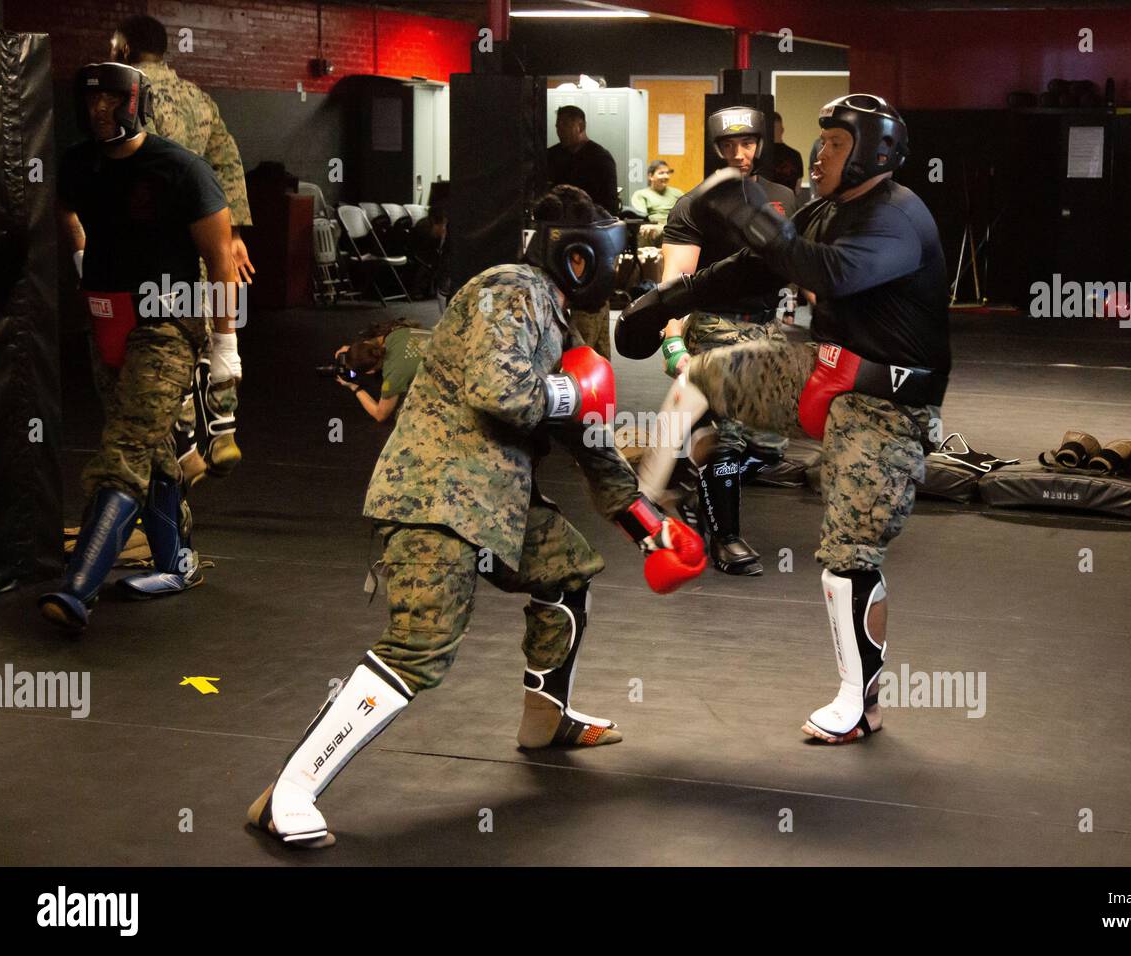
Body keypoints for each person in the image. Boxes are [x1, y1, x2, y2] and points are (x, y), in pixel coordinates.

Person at [247, 186, 706, 848]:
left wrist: (648, 526)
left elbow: (589, 436)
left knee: (566, 572)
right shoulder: (509, 289)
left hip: (498, 502)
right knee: (419, 647)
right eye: (613, 258)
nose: (620, 273)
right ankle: (287, 792)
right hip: (435, 498)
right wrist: (574, 389)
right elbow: (503, 392)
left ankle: (545, 721)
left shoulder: (560, 319)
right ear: (580, 258)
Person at [617, 94, 951, 744]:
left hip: (886, 405)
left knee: (846, 557)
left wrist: (746, 213)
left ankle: (861, 704)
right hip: (825, 371)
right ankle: (645, 511)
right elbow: (757, 263)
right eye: (820, 140)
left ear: (874, 154)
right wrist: (664, 302)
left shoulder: (899, 219)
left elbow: (825, 270)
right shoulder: (827, 208)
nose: (819, 153)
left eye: (835, 143)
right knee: (701, 374)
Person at [39, 62, 240, 629]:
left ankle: (78, 589)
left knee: (124, 448)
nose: (99, 111)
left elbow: (222, 261)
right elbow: (66, 207)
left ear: (135, 102)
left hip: (167, 321)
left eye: (110, 101)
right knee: (150, 446)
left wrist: (226, 345)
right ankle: (178, 561)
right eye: (91, 102)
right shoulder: (80, 164)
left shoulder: (180, 169)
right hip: (106, 316)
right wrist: (82, 257)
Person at [111, 14, 253, 485]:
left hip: (153, 251)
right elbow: (226, 164)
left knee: (161, 349)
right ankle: (225, 427)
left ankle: (186, 447)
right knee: (212, 336)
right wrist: (232, 236)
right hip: (204, 245)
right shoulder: (200, 100)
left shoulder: (125, 98)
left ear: (125, 48)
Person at [657, 106, 797, 577]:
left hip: (767, 328)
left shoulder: (782, 198)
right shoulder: (695, 203)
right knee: (728, 439)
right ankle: (727, 538)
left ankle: (697, 489)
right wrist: (674, 344)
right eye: (728, 146)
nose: (740, 153)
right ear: (715, 149)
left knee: (771, 447)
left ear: (761, 144)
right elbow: (673, 284)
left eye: (748, 143)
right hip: (715, 327)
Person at [547, 105, 620, 359]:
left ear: (579, 125)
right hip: (557, 238)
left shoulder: (600, 158)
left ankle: (589, 361)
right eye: (557, 126)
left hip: (591, 239)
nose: (558, 131)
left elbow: (609, 205)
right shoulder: (552, 157)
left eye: (563, 125)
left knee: (590, 304)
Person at [334, 320, 427, 422]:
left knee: (403, 415)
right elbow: (371, 344)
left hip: (445, 371)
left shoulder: (393, 376)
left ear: (370, 372)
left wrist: (354, 387)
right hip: (441, 343)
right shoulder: (394, 333)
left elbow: (380, 415)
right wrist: (354, 350)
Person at [631, 160, 683, 248]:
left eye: (667, 173)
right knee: (645, 230)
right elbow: (641, 219)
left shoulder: (677, 194)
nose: (666, 176)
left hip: (673, 228)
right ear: (651, 176)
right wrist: (654, 226)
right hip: (652, 227)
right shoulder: (641, 194)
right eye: (661, 173)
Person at [762, 111, 804, 194]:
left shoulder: (761, 155)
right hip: (787, 202)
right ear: (782, 130)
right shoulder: (795, 155)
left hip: (766, 202)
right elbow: (798, 189)